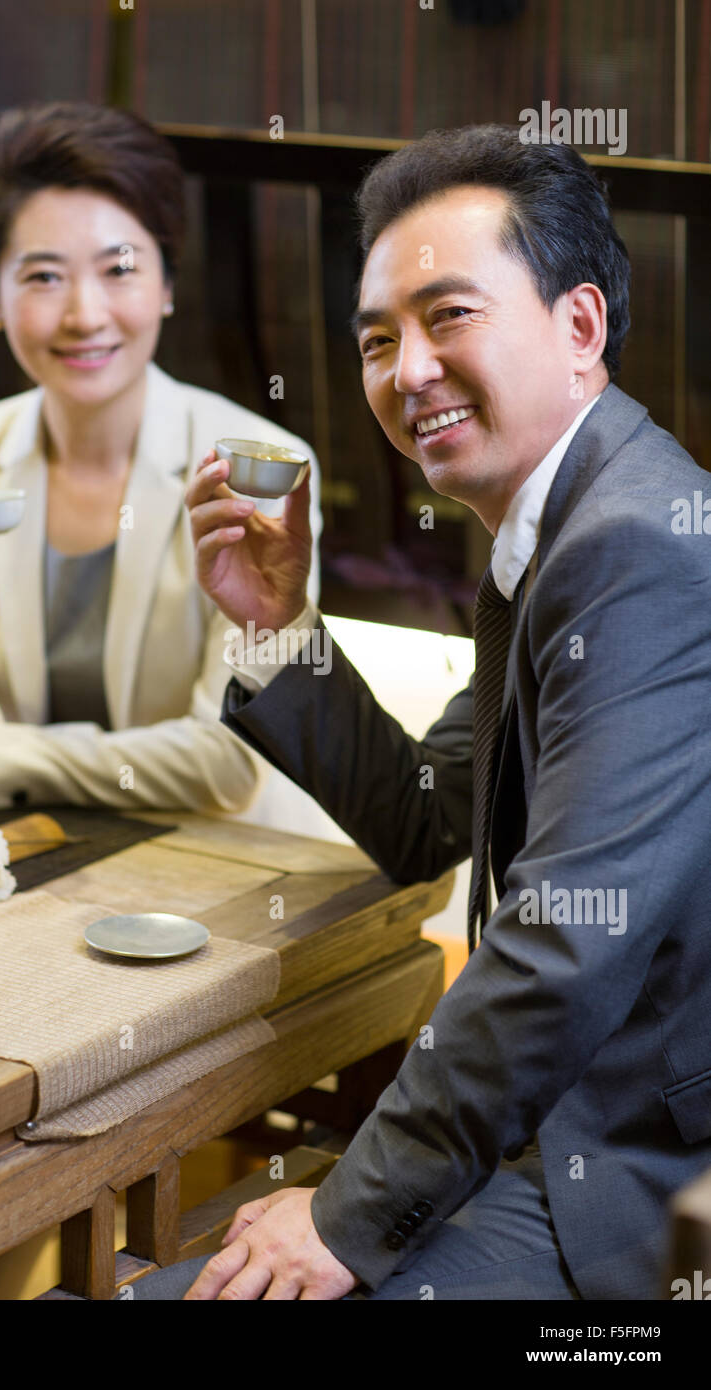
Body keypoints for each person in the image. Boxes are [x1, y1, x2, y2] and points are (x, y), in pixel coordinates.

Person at [132, 124, 711, 1300]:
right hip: (528, 1133)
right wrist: (279, 623)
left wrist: (346, 1215)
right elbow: (425, 816)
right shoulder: (551, 537)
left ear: (579, 327)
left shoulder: (638, 547)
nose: (405, 370)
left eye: (448, 316)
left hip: (624, 1178)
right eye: (377, 338)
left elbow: (557, 947)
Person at [0, 102, 321, 815]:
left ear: (165, 286)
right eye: (43, 277)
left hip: (223, 871)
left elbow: (226, 763)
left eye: (119, 270)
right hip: (42, 862)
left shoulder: (258, 469)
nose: (85, 314)